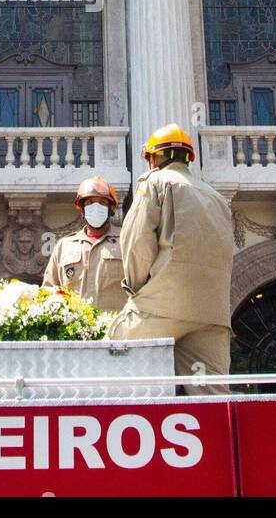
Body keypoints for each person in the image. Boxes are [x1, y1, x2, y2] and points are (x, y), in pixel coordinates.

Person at [107, 123, 235, 395]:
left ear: (153, 158)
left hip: (165, 304)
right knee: (210, 394)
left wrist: (138, 291)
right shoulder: (217, 198)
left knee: (107, 352)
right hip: (213, 313)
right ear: (188, 158)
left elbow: (137, 242)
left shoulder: (154, 182)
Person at [42, 176, 127, 313]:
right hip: (75, 331)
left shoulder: (127, 241)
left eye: (102, 202)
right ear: (81, 208)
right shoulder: (64, 247)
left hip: (116, 331)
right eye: (90, 202)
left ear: (111, 208)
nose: (96, 207)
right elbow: (49, 292)